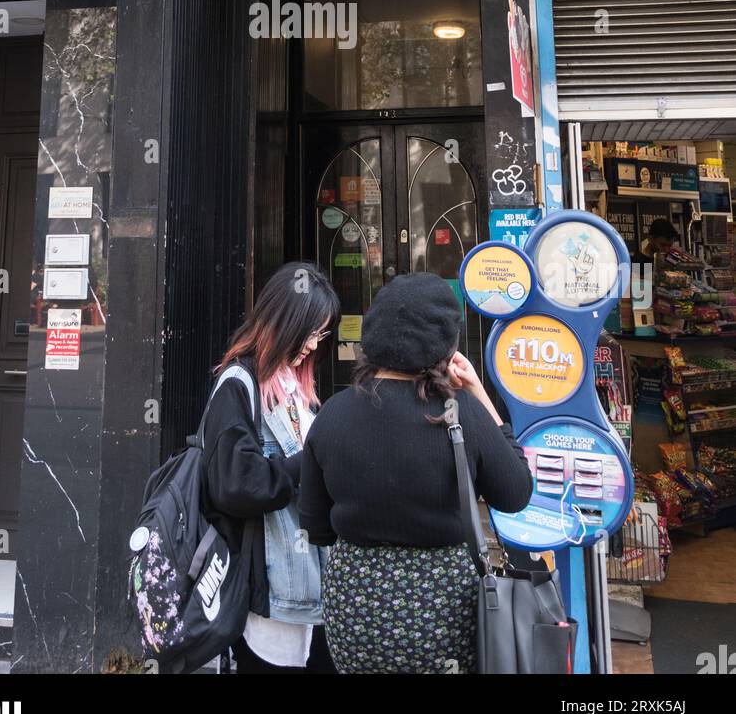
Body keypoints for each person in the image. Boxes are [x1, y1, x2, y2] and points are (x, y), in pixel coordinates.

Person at [298, 272, 532, 675]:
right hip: (442, 607)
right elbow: (516, 492)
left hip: (355, 609)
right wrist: (477, 392)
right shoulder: (462, 414)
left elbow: (316, 527)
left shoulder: (332, 415)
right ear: (445, 344)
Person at [201, 261, 340, 674]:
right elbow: (235, 485)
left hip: (309, 587)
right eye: (312, 332)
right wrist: (308, 463)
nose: (315, 345)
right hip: (267, 595)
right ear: (285, 323)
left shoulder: (295, 386)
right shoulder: (238, 384)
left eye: (322, 334)